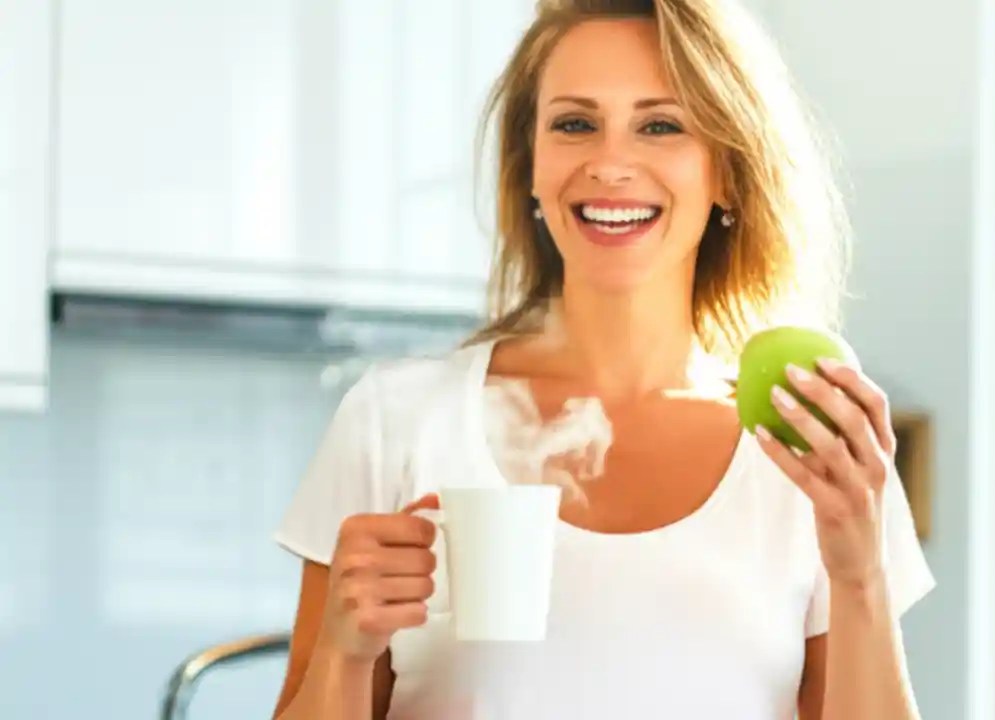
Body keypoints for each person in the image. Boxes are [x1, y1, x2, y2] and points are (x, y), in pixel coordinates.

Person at [271, 0, 934, 718]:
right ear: (530, 167)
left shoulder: (806, 447)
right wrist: (344, 651)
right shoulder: (395, 420)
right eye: (575, 124)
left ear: (728, 175)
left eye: (661, 125)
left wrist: (861, 574)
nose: (610, 163)